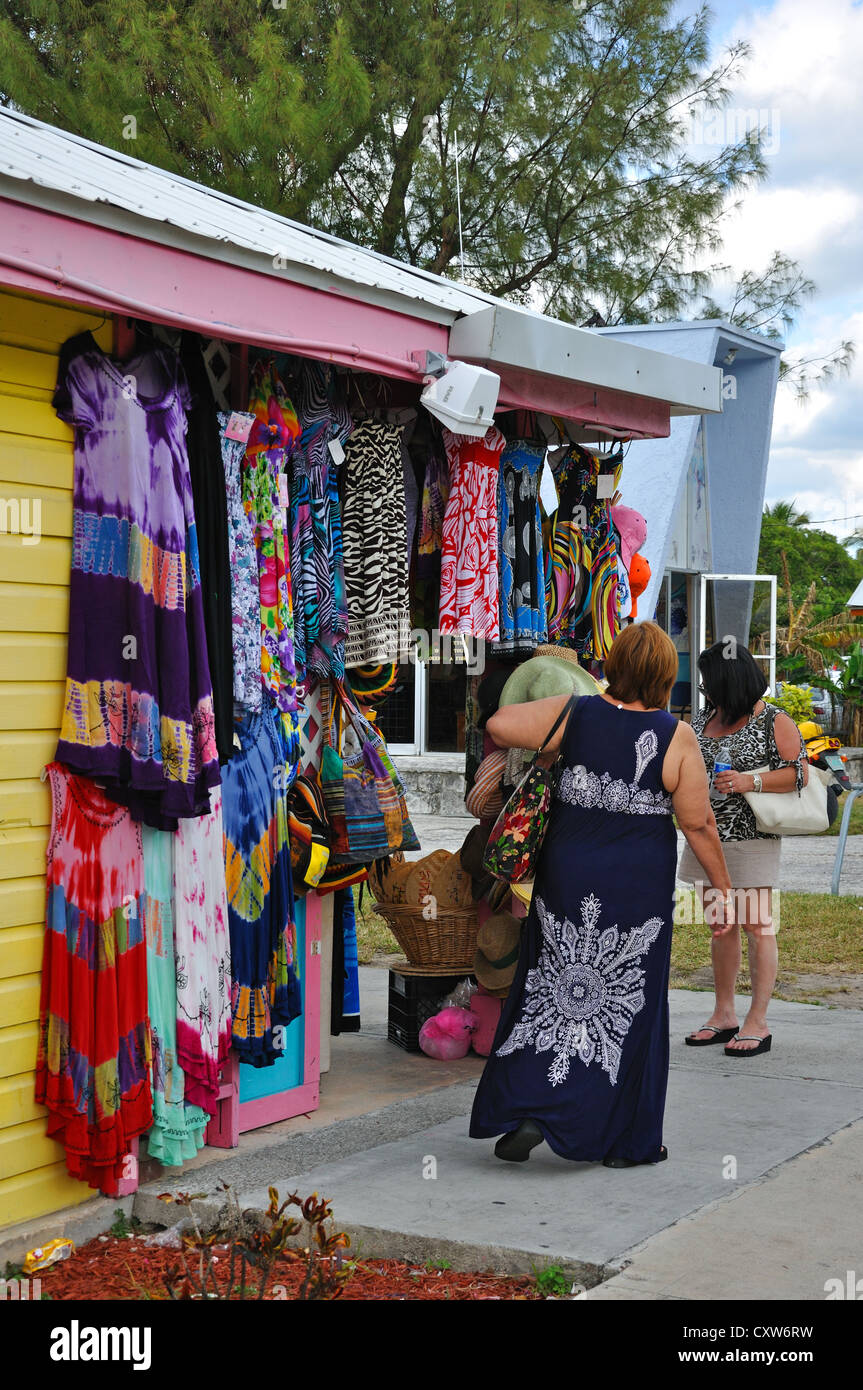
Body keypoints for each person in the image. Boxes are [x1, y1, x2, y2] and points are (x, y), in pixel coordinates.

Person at [469, 621, 734, 1167]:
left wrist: (567, 717)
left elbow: (498, 721)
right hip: (636, 887)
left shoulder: (576, 712)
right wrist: (723, 889)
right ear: (666, 675)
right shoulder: (676, 735)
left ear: (612, 666)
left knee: (547, 988)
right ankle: (621, 1140)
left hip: (567, 875)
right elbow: (699, 824)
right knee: (628, 1004)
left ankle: (530, 1107)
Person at [679, 641, 807, 1057]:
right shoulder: (704, 718)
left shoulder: (773, 720)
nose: (703, 689)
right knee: (721, 927)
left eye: (709, 681)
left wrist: (748, 781)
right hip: (707, 838)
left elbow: (799, 774)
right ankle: (724, 1014)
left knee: (756, 927)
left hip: (752, 840)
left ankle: (758, 1021)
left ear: (727, 681)